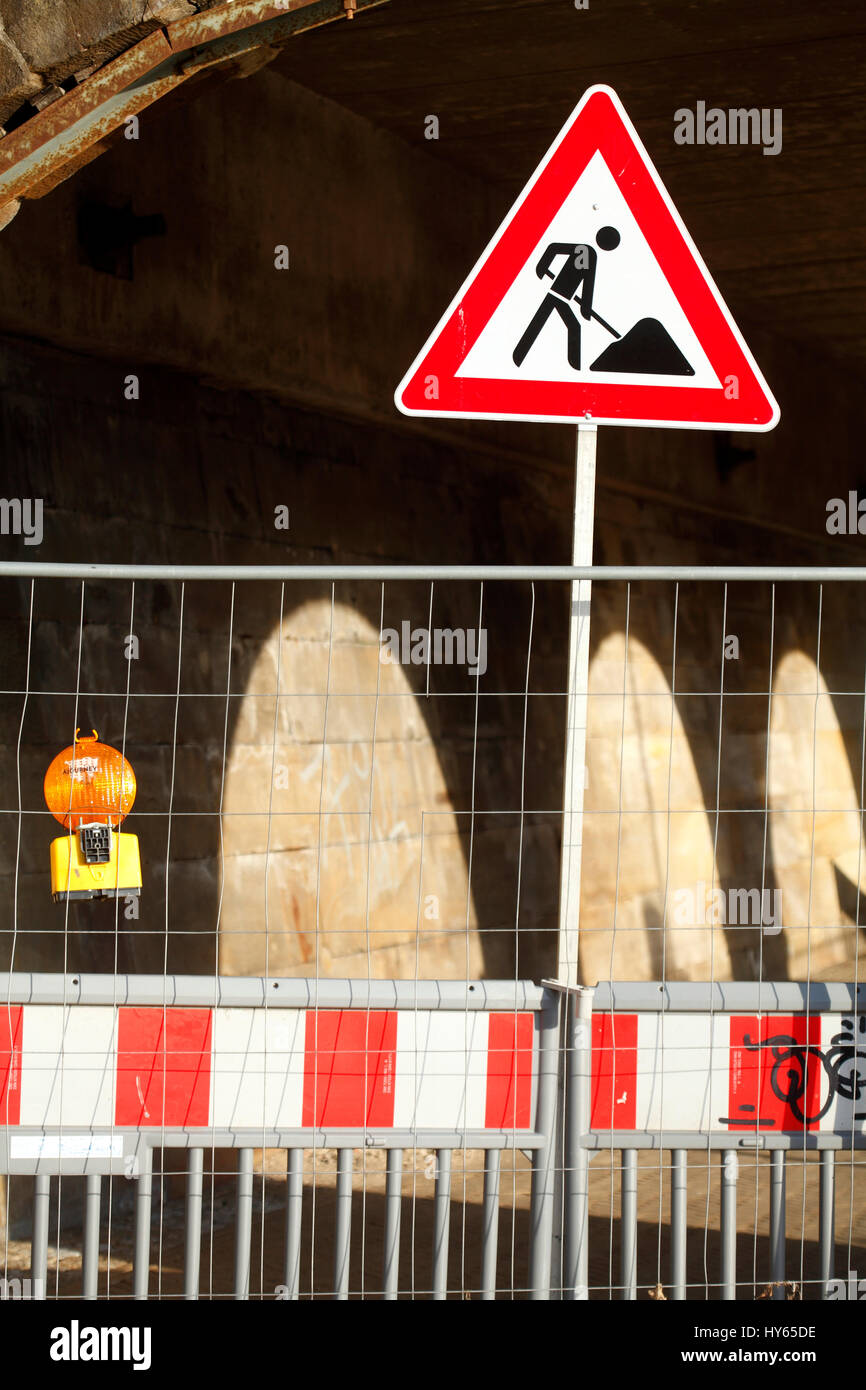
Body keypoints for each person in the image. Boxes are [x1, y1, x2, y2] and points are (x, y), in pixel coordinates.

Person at [513, 226, 620, 370]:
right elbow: (554, 248)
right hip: (557, 295)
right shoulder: (588, 253)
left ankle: (519, 356)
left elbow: (587, 283)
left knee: (545, 322)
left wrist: (585, 308)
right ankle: (574, 367)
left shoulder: (588, 252)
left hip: (561, 297)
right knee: (563, 325)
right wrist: (542, 267)